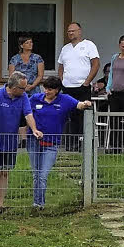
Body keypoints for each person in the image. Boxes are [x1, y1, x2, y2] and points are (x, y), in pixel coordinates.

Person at [0, 72, 43, 213]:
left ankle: (1, 204)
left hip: (10, 142)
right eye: (22, 88)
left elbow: (28, 114)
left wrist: (34, 129)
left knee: (5, 172)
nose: (25, 91)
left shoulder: (23, 97)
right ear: (13, 88)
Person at [27, 77, 93, 208]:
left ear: (57, 90)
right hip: (34, 141)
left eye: (50, 89)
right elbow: (25, 111)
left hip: (52, 143)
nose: (46, 91)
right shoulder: (35, 98)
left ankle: (40, 203)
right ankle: (37, 203)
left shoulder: (65, 99)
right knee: (36, 174)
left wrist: (86, 103)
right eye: (45, 88)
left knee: (43, 174)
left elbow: (78, 105)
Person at [57, 22, 101, 150]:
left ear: (79, 31)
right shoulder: (65, 48)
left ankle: (83, 143)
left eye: (73, 31)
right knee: (69, 115)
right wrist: (62, 80)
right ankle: (70, 143)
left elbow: (96, 64)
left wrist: (87, 82)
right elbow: (60, 66)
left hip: (82, 87)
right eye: (69, 31)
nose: (71, 33)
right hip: (67, 87)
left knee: (82, 115)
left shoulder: (89, 45)